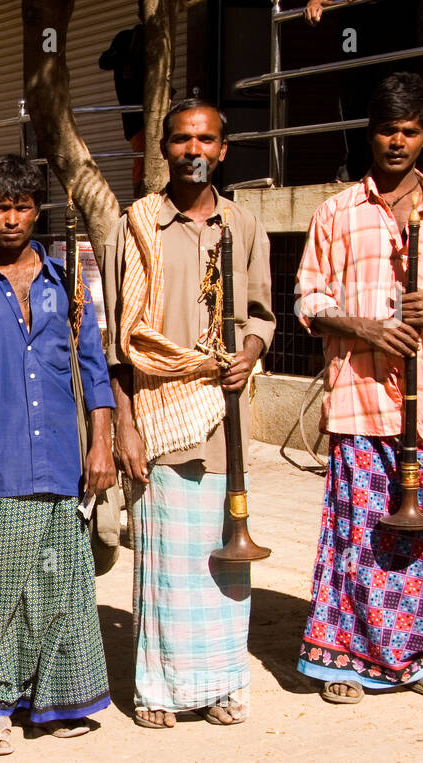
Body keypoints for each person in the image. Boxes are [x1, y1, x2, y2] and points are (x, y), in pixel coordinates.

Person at [293, 72, 423, 704]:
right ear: (370, 132)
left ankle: (412, 657)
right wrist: (364, 329)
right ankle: (345, 660)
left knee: (417, 535)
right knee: (356, 531)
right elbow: (307, 299)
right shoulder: (336, 212)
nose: (397, 142)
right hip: (357, 399)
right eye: (387, 129)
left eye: (409, 131)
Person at [105, 99, 275, 730]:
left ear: (223, 149)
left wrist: (249, 352)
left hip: (223, 418)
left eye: (206, 139)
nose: (193, 150)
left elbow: (260, 315)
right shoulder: (137, 226)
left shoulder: (244, 225)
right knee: (165, 562)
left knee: (226, 557)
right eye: (180, 140)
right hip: (157, 413)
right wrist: (123, 422)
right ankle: (161, 689)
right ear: (165, 149)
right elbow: (119, 338)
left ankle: (226, 683)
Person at [0, 153, 116, 757]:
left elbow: (93, 370)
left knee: (64, 584)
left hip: (63, 460)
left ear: (37, 210)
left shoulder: (68, 284)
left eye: (21, 206)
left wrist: (102, 442)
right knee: (3, 587)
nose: (11, 218)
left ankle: (57, 701)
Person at [99, 11, 146, 194]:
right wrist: (127, 55)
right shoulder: (127, 39)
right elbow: (104, 61)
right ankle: (141, 201)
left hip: (157, 113)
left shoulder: (159, 41)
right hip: (135, 113)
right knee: (141, 159)